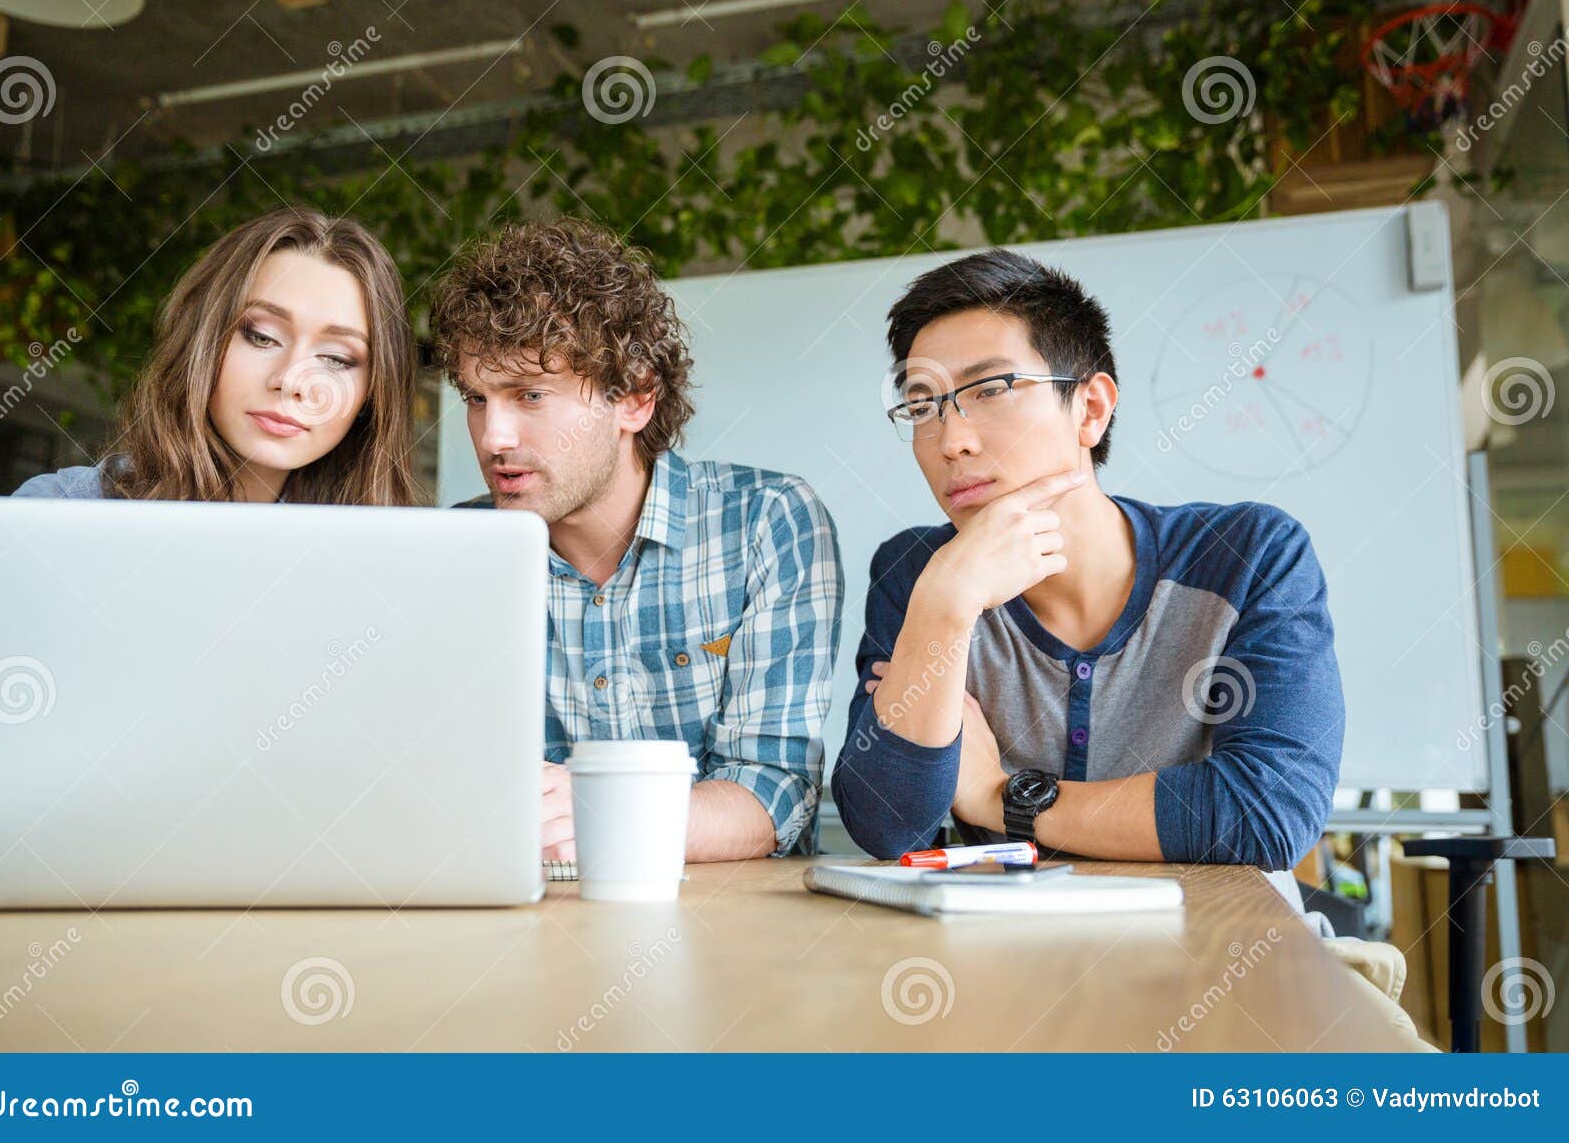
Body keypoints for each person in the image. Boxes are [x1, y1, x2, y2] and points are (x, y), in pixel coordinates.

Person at [831, 248, 1342, 901]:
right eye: (923, 406)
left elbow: (1266, 815)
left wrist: (999, 799)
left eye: (990, 391)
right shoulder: (920, 575)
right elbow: (888, 825)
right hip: (1002, 968)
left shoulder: (1250, 555)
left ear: (1091, 408)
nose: (951, 440)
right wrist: (945, 605)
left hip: (1214, 959)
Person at [428, 217, 842, 863]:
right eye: (477, 399)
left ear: (637, 398)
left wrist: (604, 812)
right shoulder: (452, 554)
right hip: (522, 930)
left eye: (529, 395)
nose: (493, 437)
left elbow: (772, 795)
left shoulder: (766, 522)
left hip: (732, 937)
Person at [14, 207, 417, 505]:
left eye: (335, 359)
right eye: (261, 337)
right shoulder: (62, 510)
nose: (292, 380)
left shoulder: (383, 559)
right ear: (201, 342)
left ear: (372, 395)